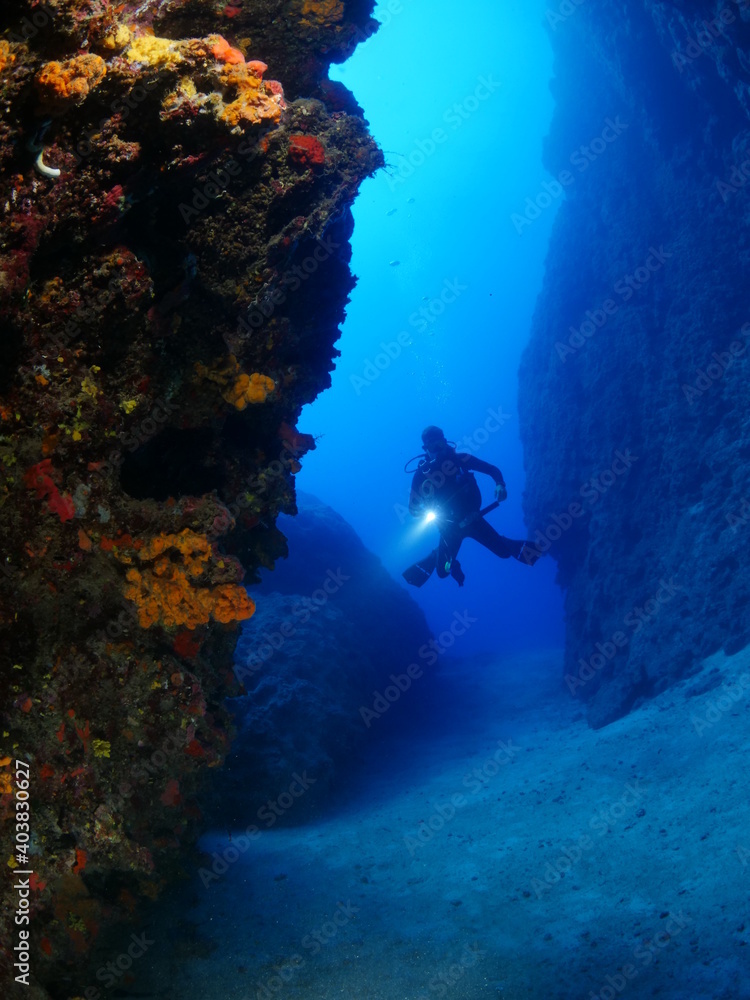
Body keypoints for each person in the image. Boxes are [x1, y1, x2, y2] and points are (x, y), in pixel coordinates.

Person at [403, 425, 542, 587]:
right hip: (450, 529)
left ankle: (501, 541)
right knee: (442, 572)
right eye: (431, 447)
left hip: (474, 519)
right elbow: (413, 510)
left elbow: (491, 469)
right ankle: (439, 556)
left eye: (439, 445)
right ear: (425, 449)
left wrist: (500, 485)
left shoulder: (460, 460)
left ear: (445, 442)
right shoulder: (421, 475)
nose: (437, 450)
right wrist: (424, 506)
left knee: (504, 553)